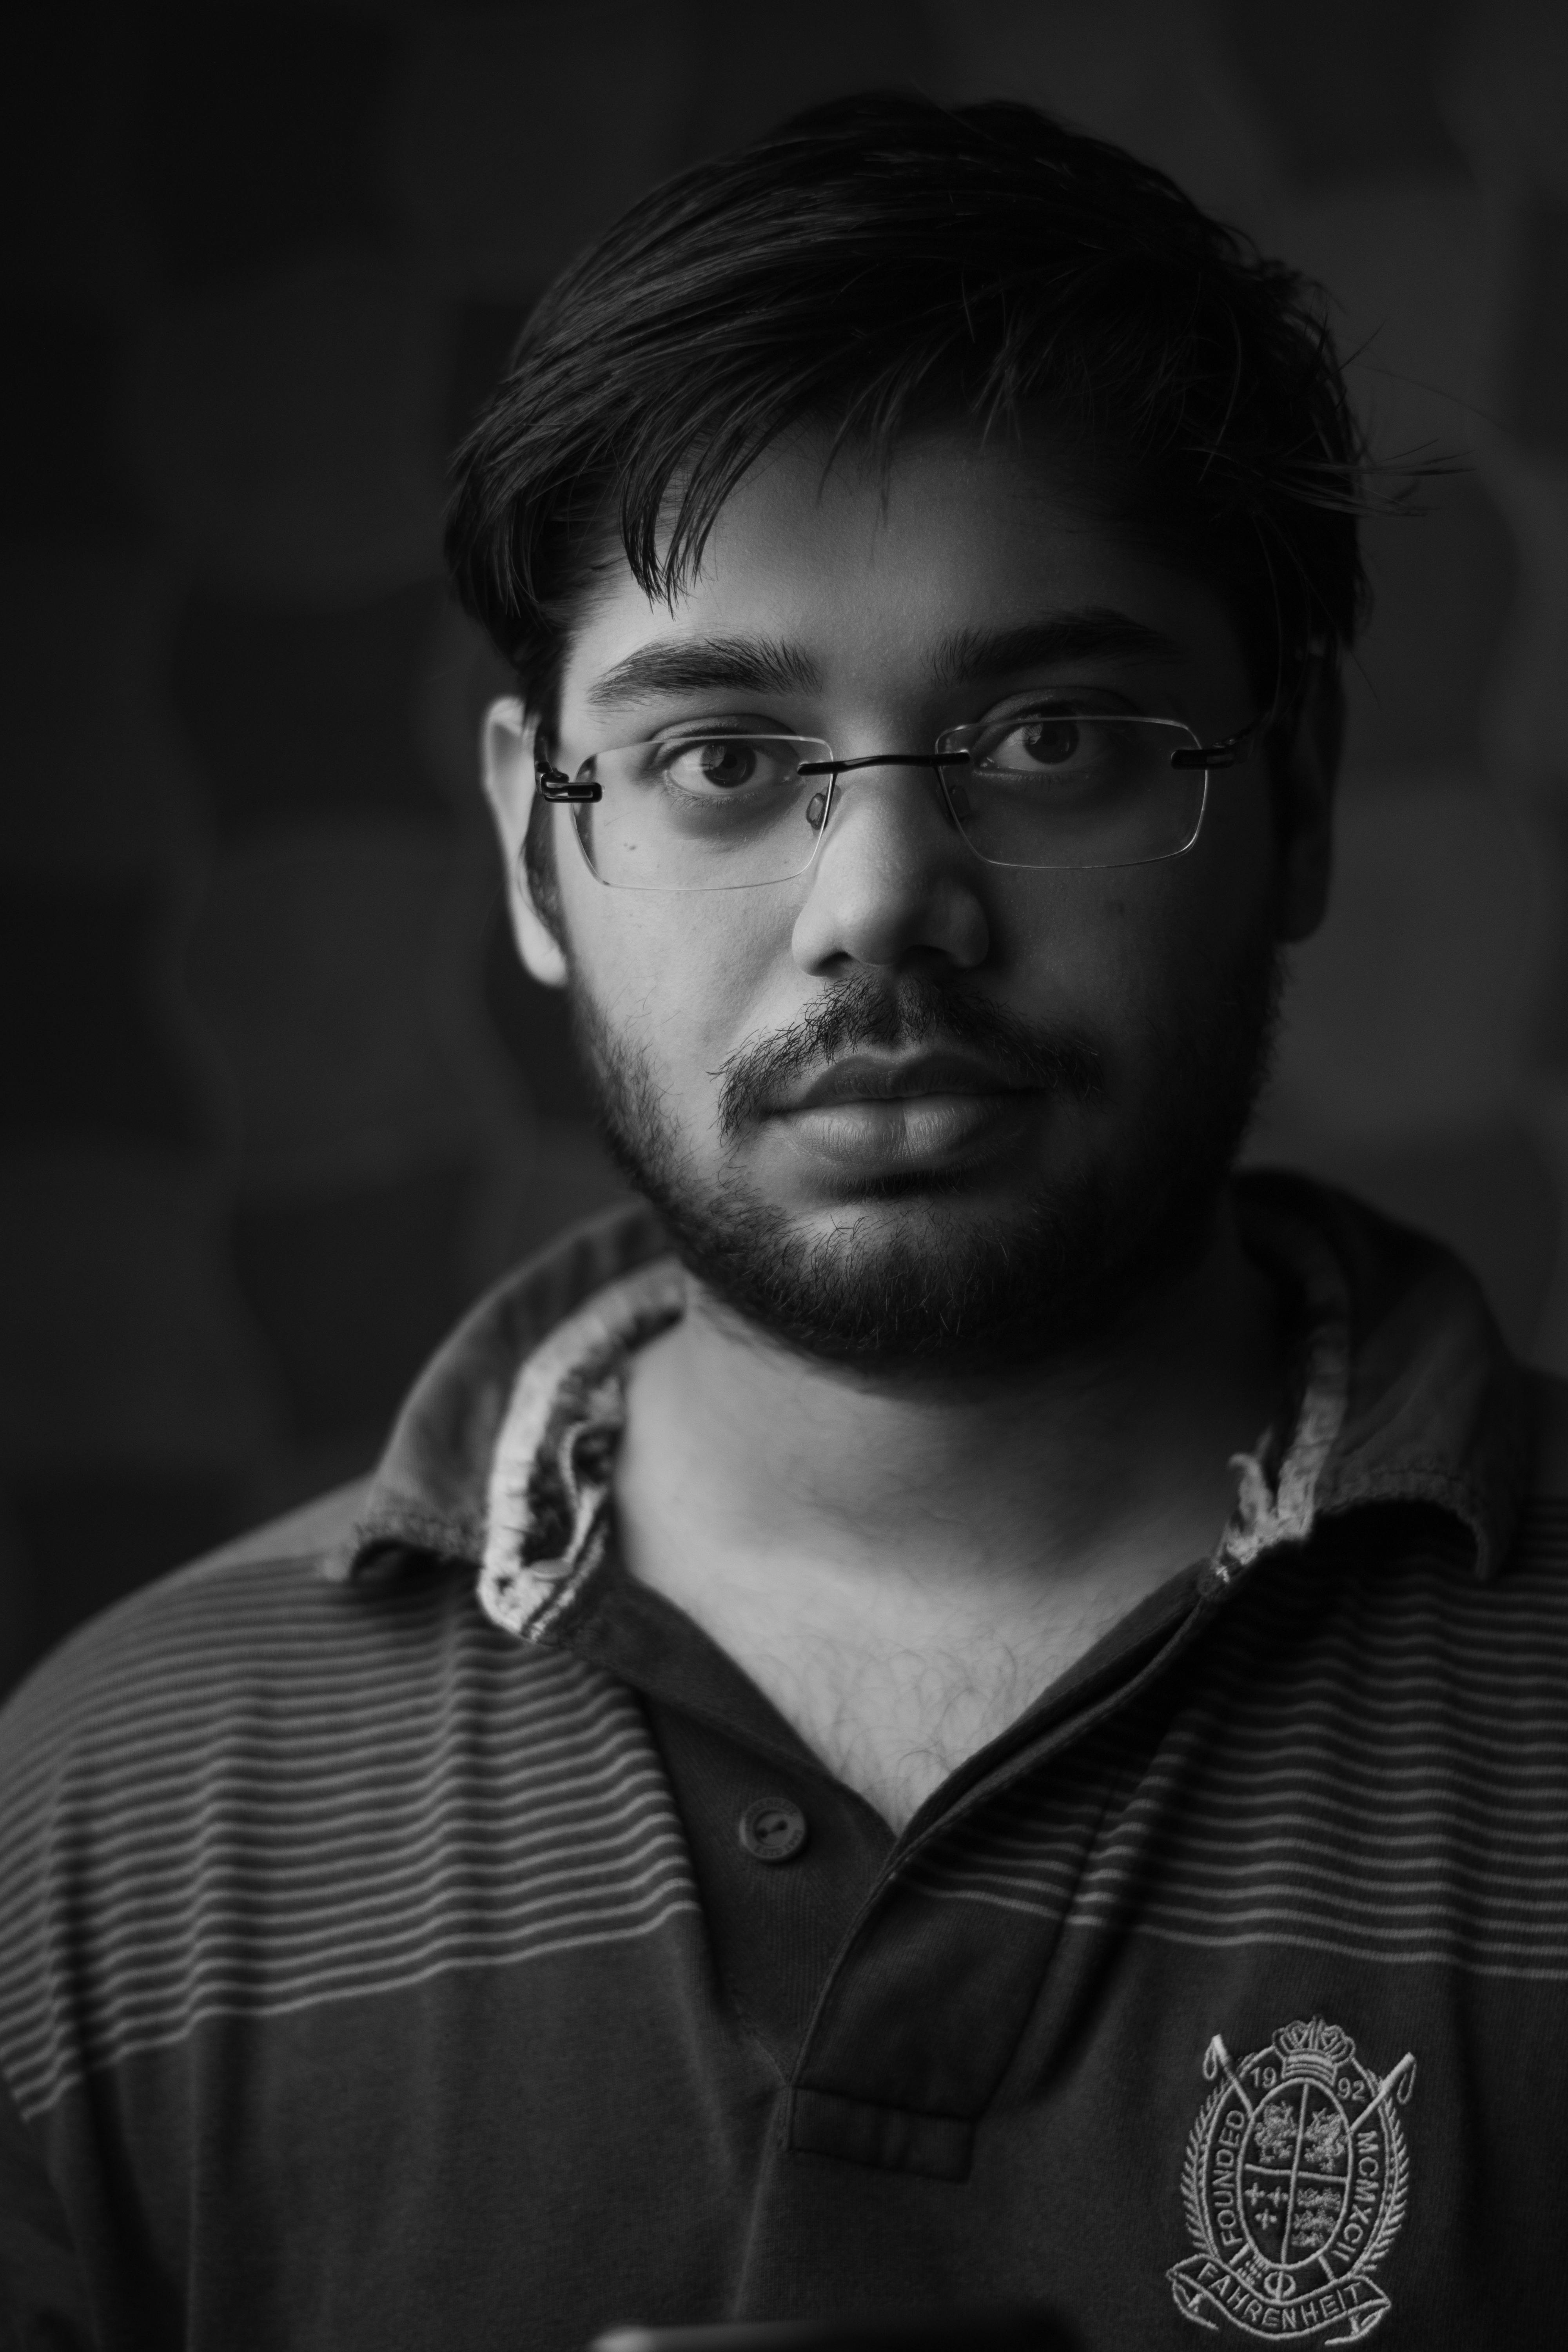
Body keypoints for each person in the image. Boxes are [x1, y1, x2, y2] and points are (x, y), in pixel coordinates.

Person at [2, 92, 1565, 2352]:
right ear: (540, 859)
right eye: (722, 758)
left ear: (1295, 792)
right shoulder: (108, 1828)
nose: (881, 913)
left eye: (1050, 738)